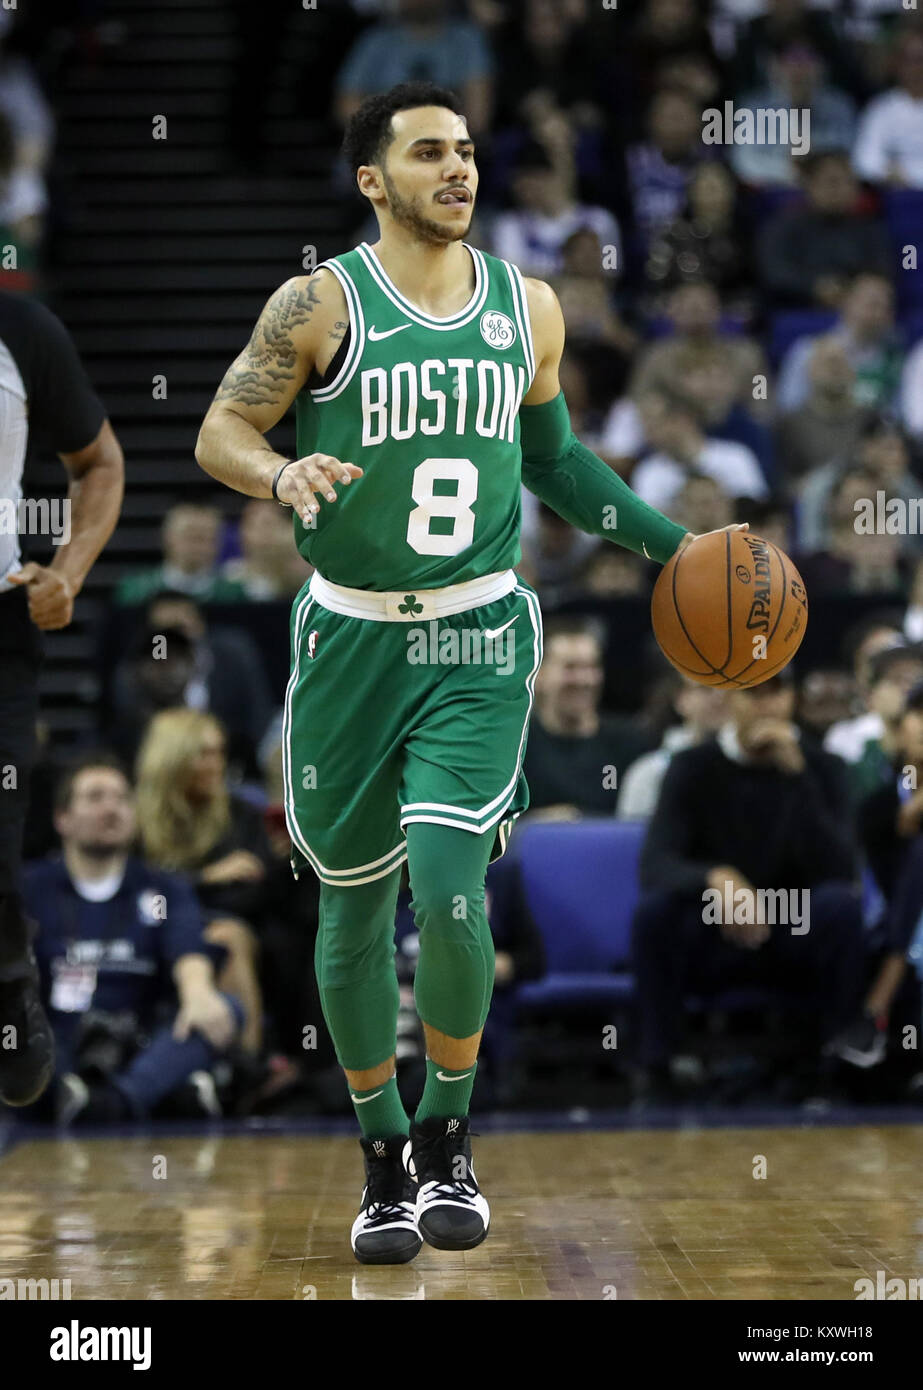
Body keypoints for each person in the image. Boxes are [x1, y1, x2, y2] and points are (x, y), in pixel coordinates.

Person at [194, 80, 742, 1265]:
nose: (457, 169)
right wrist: (278, 475)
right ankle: (381, 1153)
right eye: (427, 152)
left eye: (465, 151)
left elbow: (554, 463)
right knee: (348, 907)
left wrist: (674, 549)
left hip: (478, 630)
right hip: (348, 635)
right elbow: (218, 432)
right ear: (371, 181)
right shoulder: (316, 305)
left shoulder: (527, 306)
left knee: (446, 880)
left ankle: (447, 1130)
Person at [0, 291, 124, 1111]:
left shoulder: (22, 330)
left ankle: (9, 982)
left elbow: (99, 463)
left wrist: (70, 574)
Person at [632, 670, 866, 1101]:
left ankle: (835, 1068)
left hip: (790, 925)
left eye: (776, 693)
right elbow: (656, 864)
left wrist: (797, 778)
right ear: (730, 702)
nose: (766, 706)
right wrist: (716, 878)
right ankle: (657, 1069)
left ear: (792, 700)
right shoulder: (691, 767)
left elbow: (840, 868)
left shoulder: (824, 769)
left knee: (841, 908)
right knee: (654, 914)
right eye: (752, 694)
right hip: (714, 927)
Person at [22, 755, 244, 1124]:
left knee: (225, 1009)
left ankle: (111, 1103)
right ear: (63, 819)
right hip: (58, 1039)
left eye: (122, 798)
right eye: (95, 797)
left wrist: (199, 993)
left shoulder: (162, 888)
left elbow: (187, 950)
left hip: (140, 1040)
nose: (112, 808)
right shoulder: (31, 887)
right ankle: (152, 1095)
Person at [134, 710, 272, 1058]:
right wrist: (208, 878)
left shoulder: (242, 815)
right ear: (173, 759)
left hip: (227, 925)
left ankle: (245, 1067)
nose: (216, 764)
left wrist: (187, 890)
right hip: (146, 930)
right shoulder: (134, 821)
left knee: (225, 936)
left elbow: (251, 893)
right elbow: (132, 892)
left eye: (220, 752)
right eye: (204, 754)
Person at [523, 617, 653, 820]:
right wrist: (537, 823)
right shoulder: (517, 747)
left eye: (592, 667)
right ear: (538, 675)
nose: (584, 680)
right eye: (570, 668)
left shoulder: (629, 742)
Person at [115, 503, 247, 607]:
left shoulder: (234, 595)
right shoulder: (138, 590)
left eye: (206, 537)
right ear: (168, 537)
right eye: (190, 536)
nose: (197, 546)